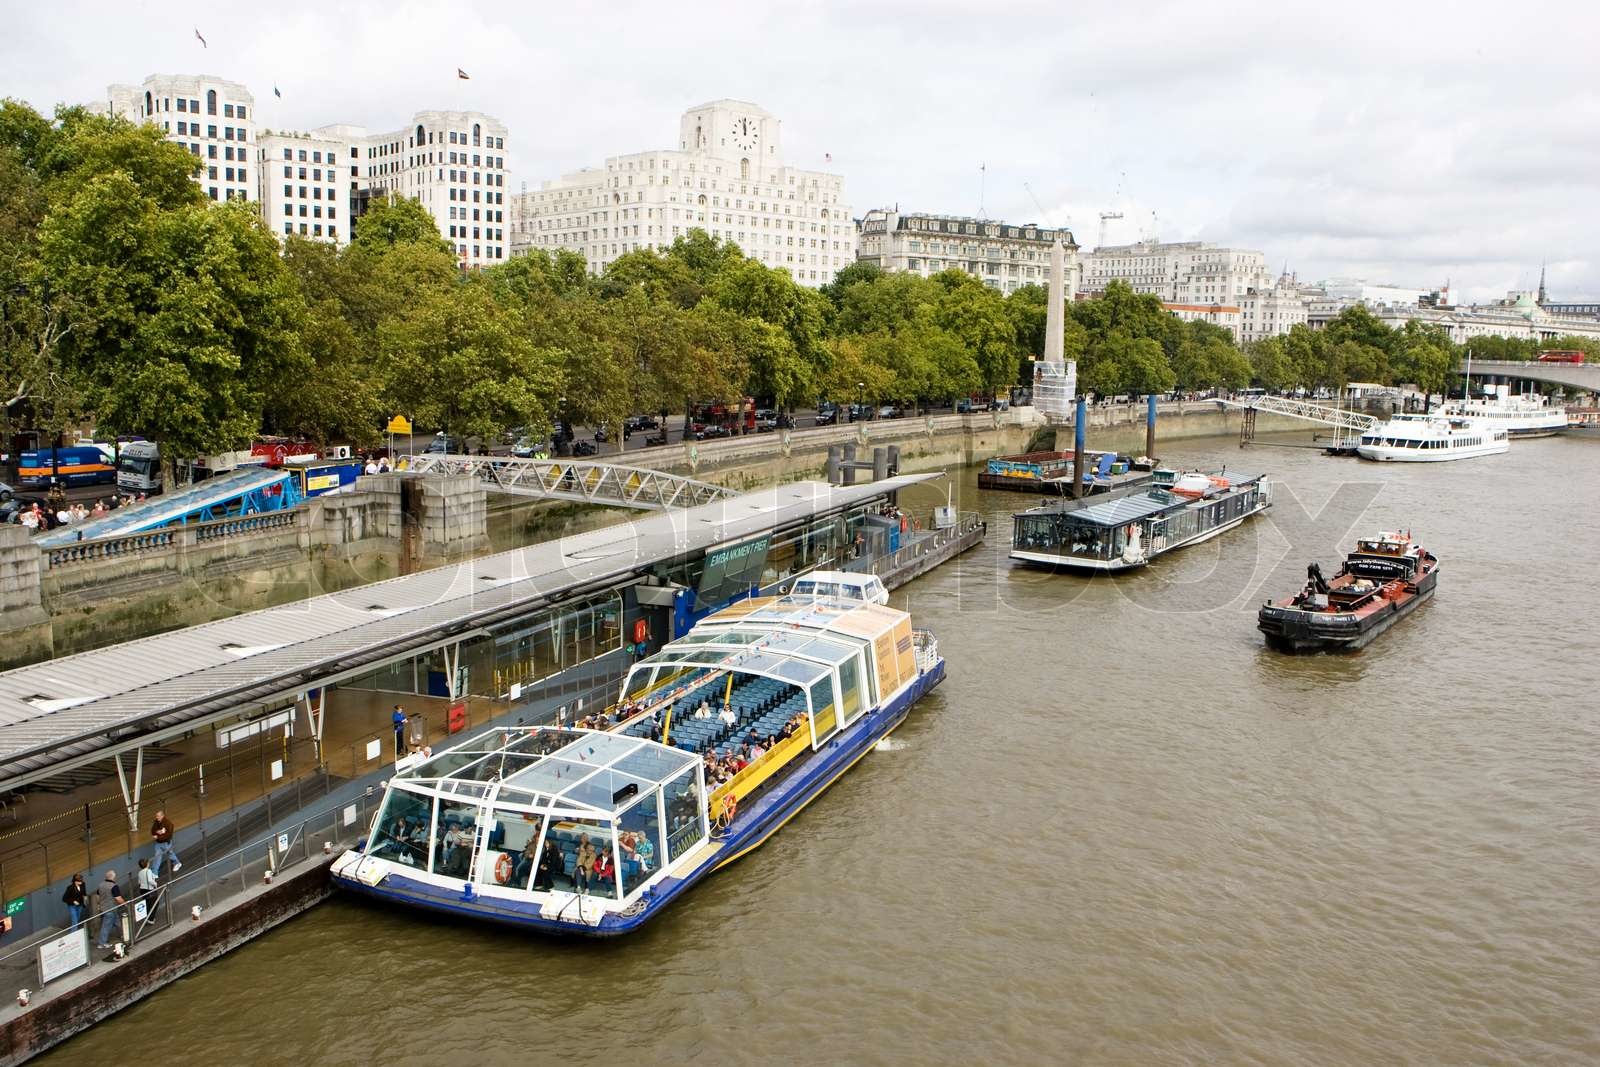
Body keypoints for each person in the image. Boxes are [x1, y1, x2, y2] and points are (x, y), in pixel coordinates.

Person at [94, 870, 125, 949]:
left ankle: (123, 935)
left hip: (104, 908)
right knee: (106, 926)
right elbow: (118, 898)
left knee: (117, 922)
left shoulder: (101, 885)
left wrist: (99, 904)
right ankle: (102, 943)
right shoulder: (114, 886)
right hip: (111, 909)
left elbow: (97, 896)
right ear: (113, 877)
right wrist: (125, 904)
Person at [150, 809, 181, 874]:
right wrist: (157, 832)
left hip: (166, 843)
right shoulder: (156, 822)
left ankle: (177, 863)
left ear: (162, 816)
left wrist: (158, 836)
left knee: (170, 854)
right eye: (156, 816)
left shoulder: (168, 823)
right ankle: (154, 872)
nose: (157, 817)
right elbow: (153, 830)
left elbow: (168, 835)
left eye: (158, 816)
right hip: (158, 843)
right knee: (157, 856)